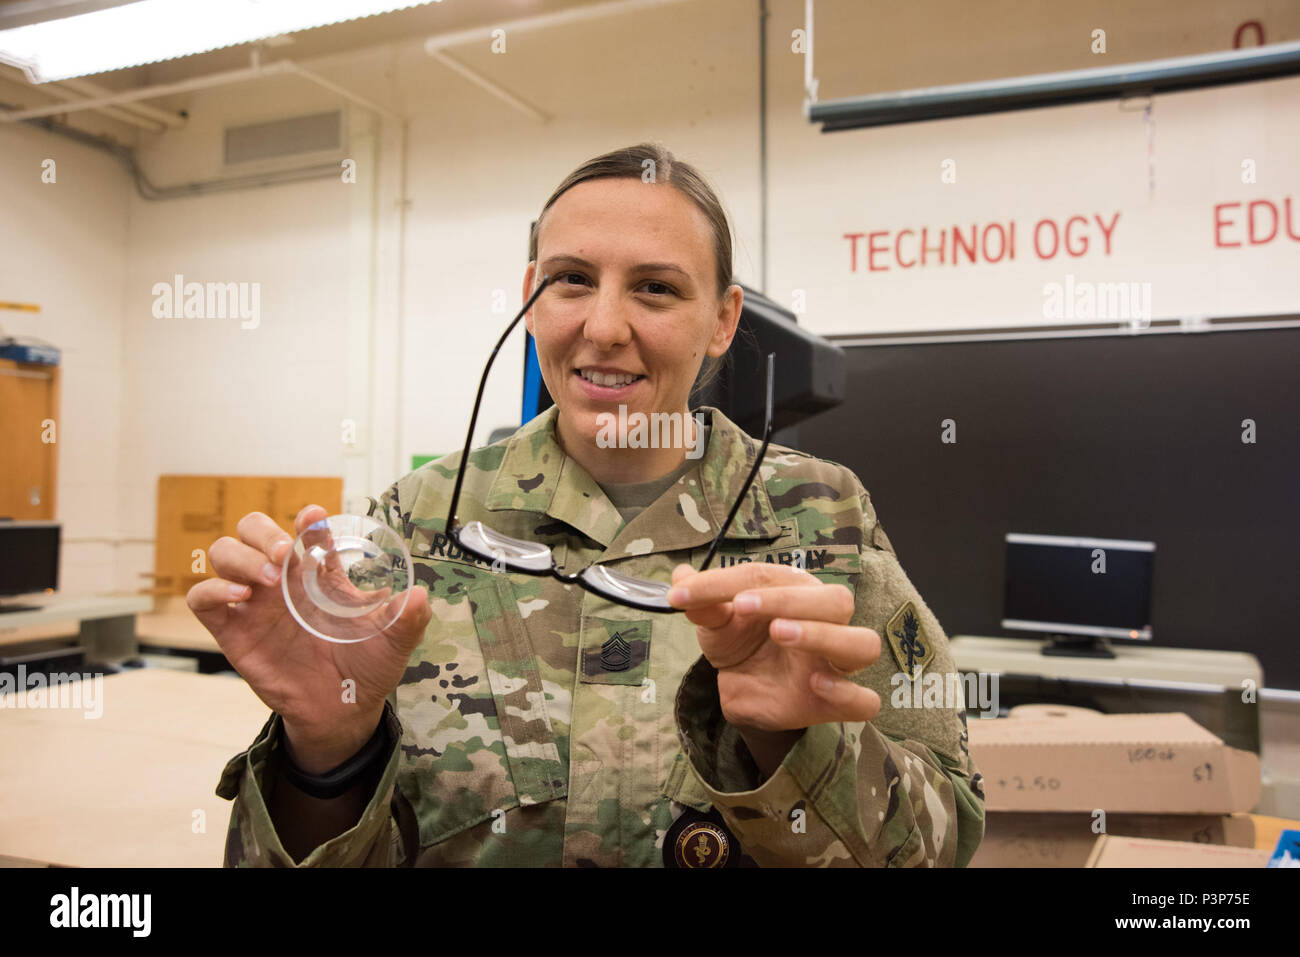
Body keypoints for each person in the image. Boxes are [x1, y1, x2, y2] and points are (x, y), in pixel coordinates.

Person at [192, 142, 985, 867]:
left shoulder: (823, 516)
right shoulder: (418, 521)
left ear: (722, 321)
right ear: (531, 300)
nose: (604, 328)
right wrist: (326, 748)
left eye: (656, 288)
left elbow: (943, 845)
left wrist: (792, 747)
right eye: (571, 279)